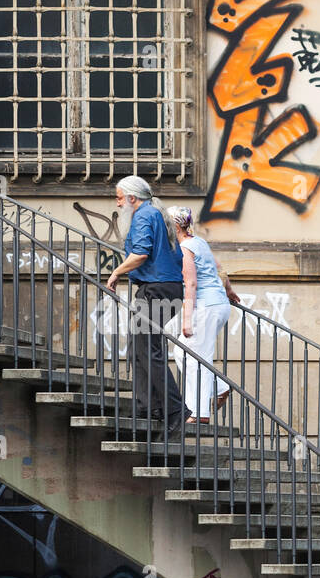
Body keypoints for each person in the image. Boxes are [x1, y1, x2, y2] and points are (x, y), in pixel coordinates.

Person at [104, 176, 185, 435]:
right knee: (140, 347)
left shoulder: (143, 215)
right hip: (164, 287)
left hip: (157, 289)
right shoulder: (156, 214)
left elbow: (140, 254)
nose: (117, 203)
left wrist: (116, 272)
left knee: (148, 351)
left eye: (119, 197)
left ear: (131, 198)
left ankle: (174, 409)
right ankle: (146, 406)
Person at [168, 206, 242, 422]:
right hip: (218, 305)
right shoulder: (199, 242)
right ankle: (220, 387)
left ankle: (199, 412)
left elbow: (190, 283)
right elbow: (219, 268)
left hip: (206, 307)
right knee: (182, 353)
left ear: (176, 225)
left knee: (197, 358)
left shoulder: (185, 249)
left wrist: (187, 319)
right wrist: (228, 290)